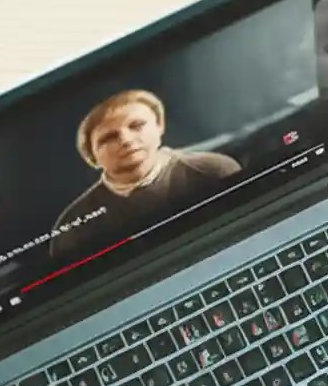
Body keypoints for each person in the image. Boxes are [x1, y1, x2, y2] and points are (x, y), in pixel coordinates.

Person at [49, 89, 241, 261]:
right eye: (109, 137)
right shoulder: (73, 227)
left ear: (159, 126)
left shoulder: (214, 170)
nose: (126, 140)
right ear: (92, 157)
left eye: (136, 125)